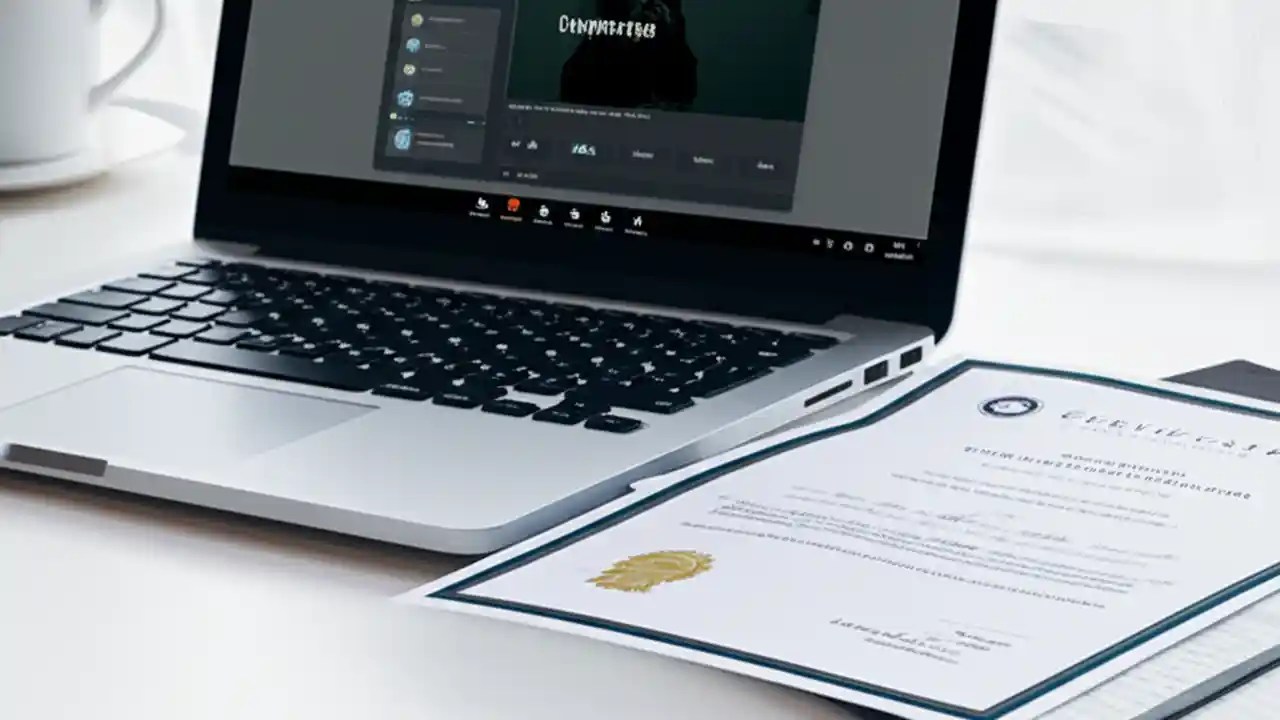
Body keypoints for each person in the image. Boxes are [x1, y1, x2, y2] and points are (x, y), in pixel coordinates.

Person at [560, 0, 698, 111]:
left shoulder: (670, 33)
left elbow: (685, 93)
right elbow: (572, 87)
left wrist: (671, 32)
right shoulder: (603, 34)